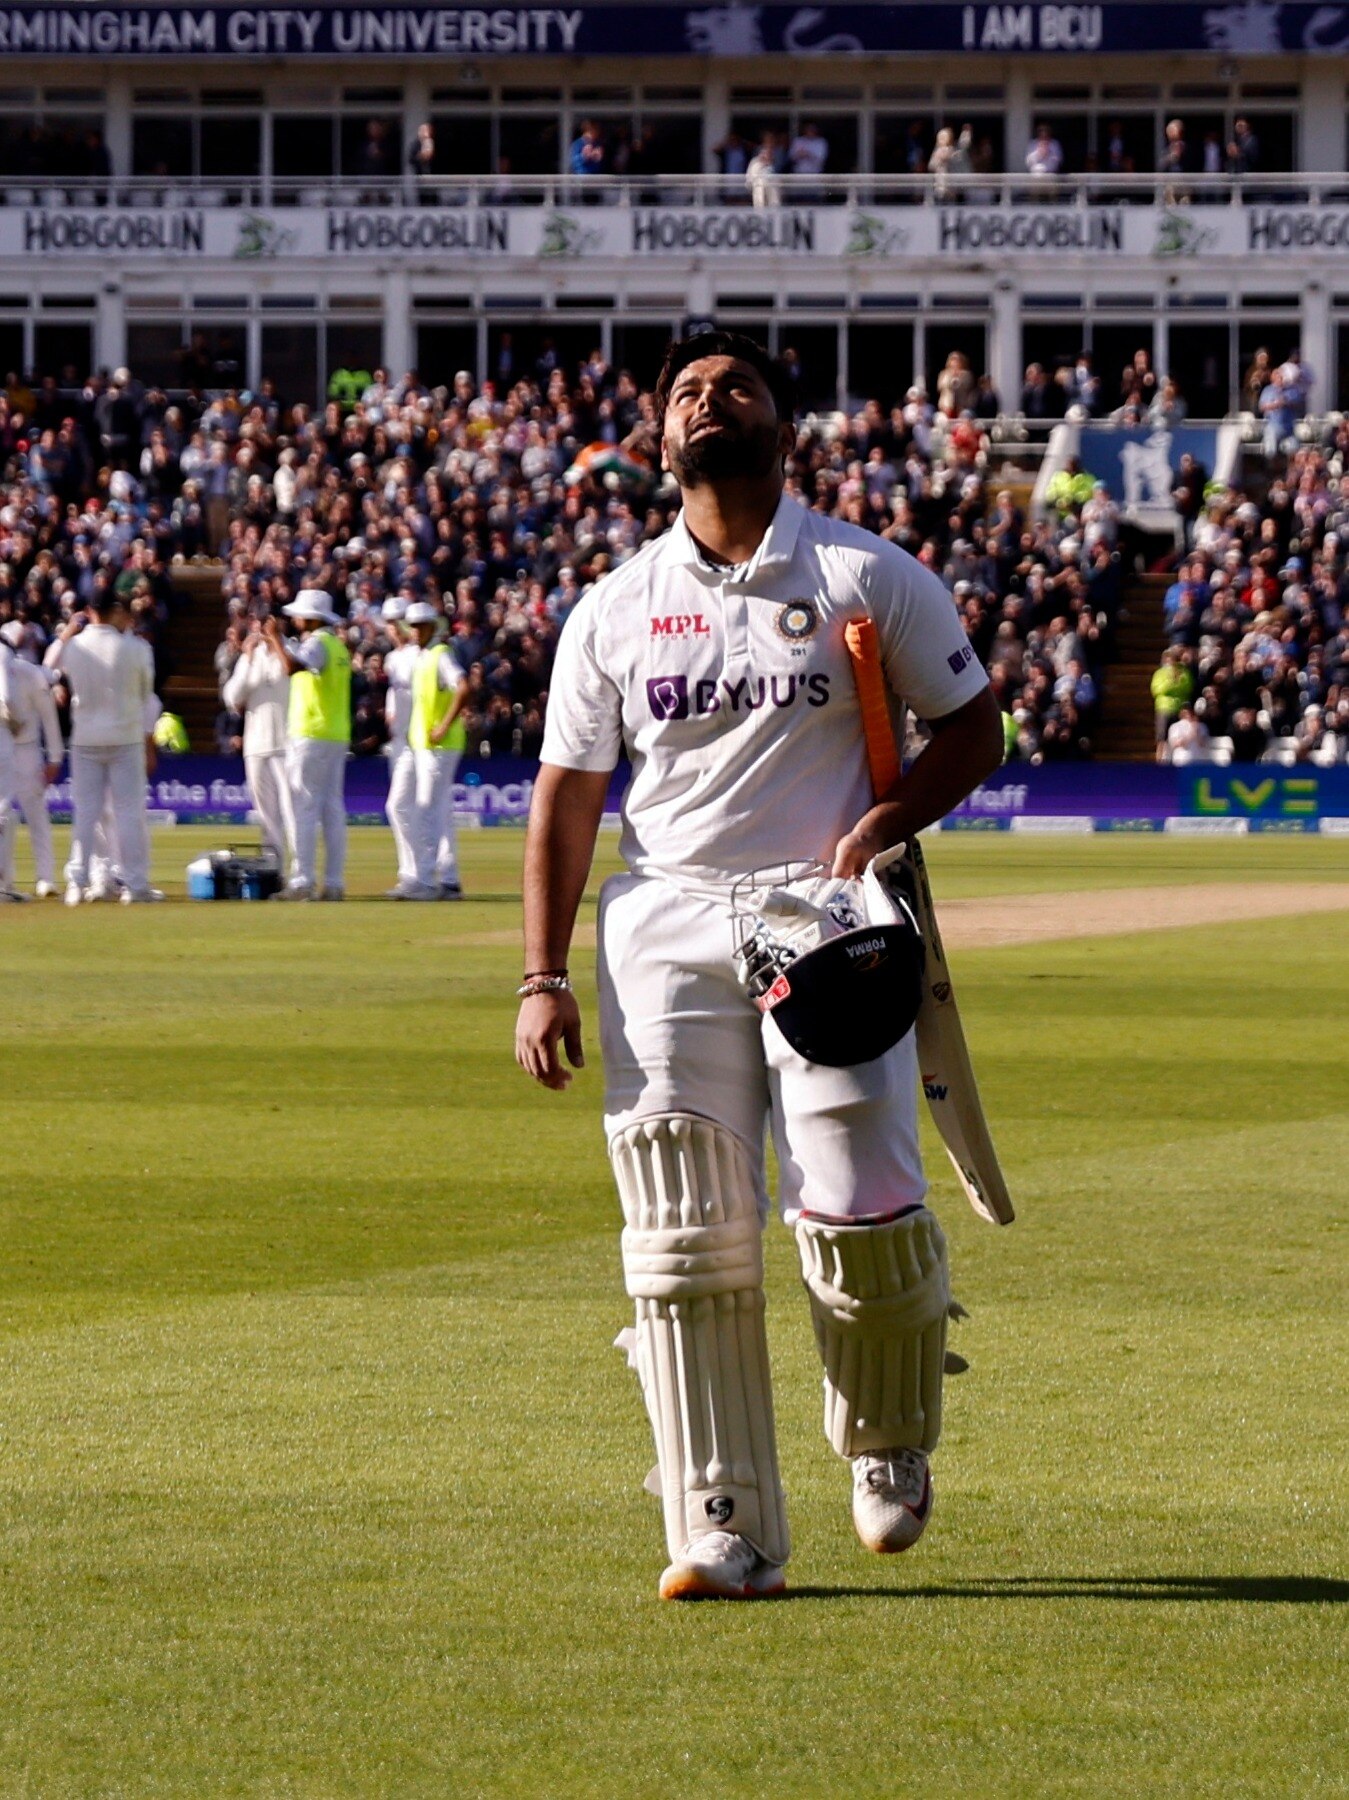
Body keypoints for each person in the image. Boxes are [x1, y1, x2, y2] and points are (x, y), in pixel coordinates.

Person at [514, 331, 1003, 1601]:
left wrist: (887, 827)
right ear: (656, 441)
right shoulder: (614, 605)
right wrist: (539, 973)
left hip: (825, 910)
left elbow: (973, 725)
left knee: (855, 1189)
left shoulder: (860, 573)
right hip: (663, 920)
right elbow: (566, 797)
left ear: (783, 428)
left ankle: (886, 1437)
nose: (706, 402)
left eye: (734, 386)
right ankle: (719, 1523)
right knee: (681, 1229)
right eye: (683, 392)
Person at [44, 590, 158, 905]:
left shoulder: (75, 646)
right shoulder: (136, 648)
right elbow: (146, 692)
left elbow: (48, 666)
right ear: (115, 612)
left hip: (86, 739)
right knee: (129, 813)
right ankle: (134, 886)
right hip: (125, 737)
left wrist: (67, 633)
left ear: (90, 612)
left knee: (86, 814)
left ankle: (76, 884)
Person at [265, 590, 351, 901]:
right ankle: (334, 882)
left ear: (312, 618)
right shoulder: (337, 645)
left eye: (299, 614)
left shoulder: (316, 643)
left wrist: (274, 639)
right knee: (331, 809)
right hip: (335, 733)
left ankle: (302, 881)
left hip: (311, 734)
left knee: (303, 806)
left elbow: (291, 667)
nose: (294, 618)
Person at [404, 599, 469, 900]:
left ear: (431, 627)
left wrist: (443, 725)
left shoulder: (440, 655)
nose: (414, 631)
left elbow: (464, 686)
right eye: (412, 626)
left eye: (419, 626)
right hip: (429, 745)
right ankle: (449, 878)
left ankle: (427, 880)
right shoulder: (426, 656)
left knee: (427, 810)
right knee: (439, 812)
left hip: (439, 745)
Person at [222, 618, 293, 866]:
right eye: (260, 628)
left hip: (287, 745)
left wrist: (275, 641)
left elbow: (289, 673)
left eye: (268, 627)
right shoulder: (248, 659)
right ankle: (273, 868)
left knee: (292, 810)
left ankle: (300, 872)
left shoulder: (290, 651)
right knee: (266, 815)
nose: (262, 633)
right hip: (256, 745)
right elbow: (233, 697)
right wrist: (250, 659)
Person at [0, 619, 62, 898]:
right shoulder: (26, 671)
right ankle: (7, 879)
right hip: (7, 747)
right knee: (5, 815)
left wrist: (55, 757)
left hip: (26, 750)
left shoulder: (29, 673)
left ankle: (45, 877)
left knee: (34, 814)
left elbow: (48, 716)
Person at [381, 598, 423, 898]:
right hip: (399, 742)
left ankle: (417, 875)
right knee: (405, 807)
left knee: (402, 806)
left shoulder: (417, 655)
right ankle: (413, 874)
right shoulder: (392, 658)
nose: (392, 628)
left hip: (415, 742)